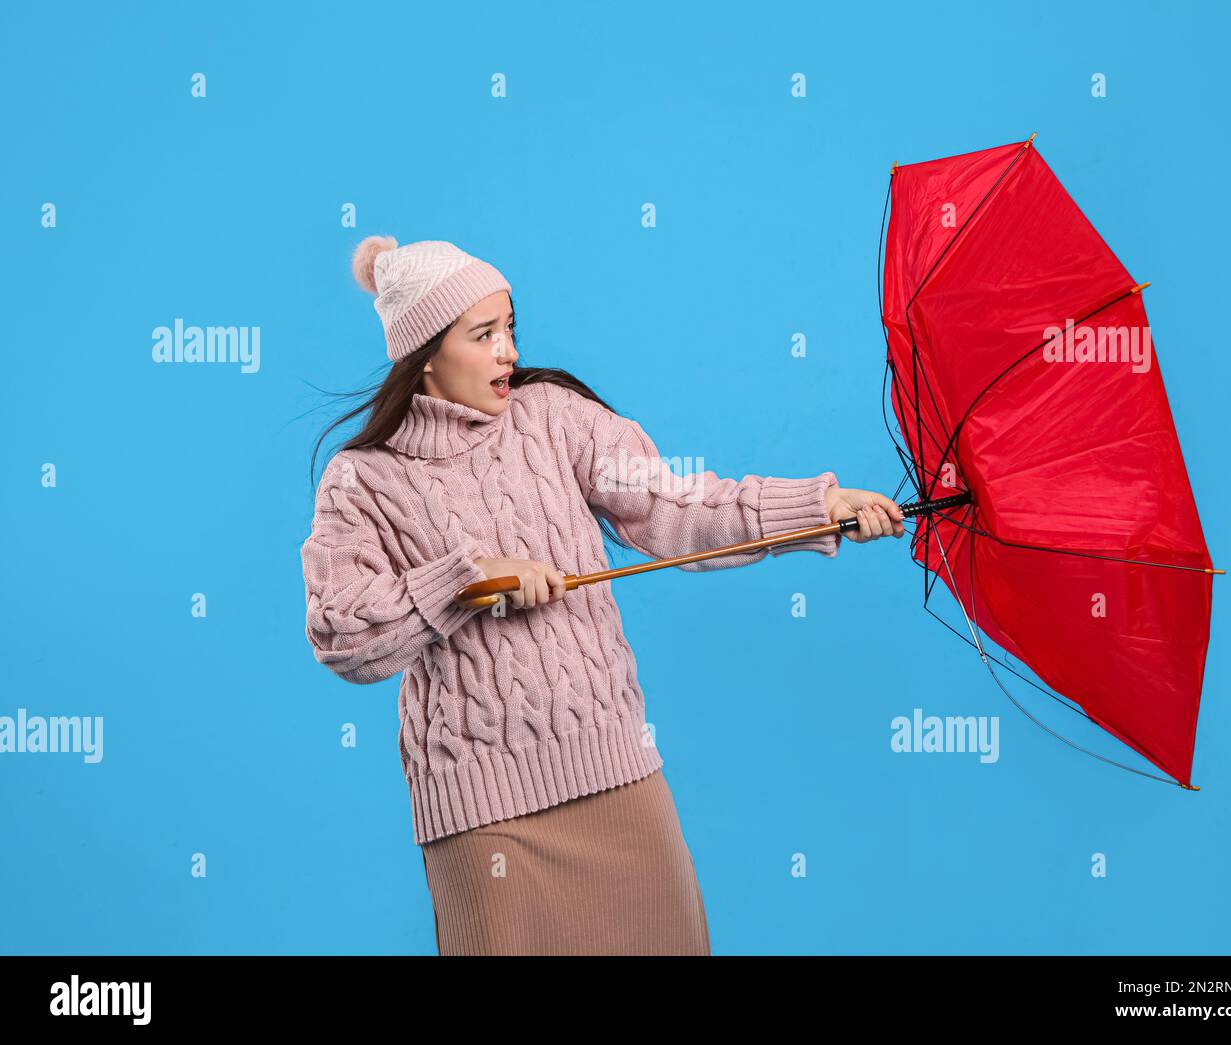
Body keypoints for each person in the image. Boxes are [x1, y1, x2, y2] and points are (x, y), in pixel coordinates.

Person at [300, 236, 905, 955]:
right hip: (485, 811)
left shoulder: (554, 416)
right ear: (425, 352)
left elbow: (683, 506)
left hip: (615, 772)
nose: (508, 354)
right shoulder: (362, 479)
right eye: (483, 334)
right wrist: (463, 578)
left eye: (510, 329)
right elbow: (341, 635)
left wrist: (821, 506)